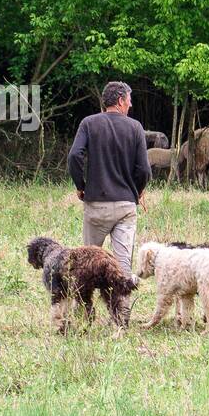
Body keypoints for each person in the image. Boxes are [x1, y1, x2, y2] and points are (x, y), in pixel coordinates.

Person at [67, 81, 151, 278]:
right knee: (122, 268)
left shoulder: (88, 123)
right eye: (129, 101)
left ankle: (83, 307)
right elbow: (144, 170)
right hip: (125, 207)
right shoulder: (136, 127)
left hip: (95, 203)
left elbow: (74, 156)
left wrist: (81, 186)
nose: (131, 105)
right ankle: (122, 309)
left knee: (86, 263)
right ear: (120, 100)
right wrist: (137, 191)